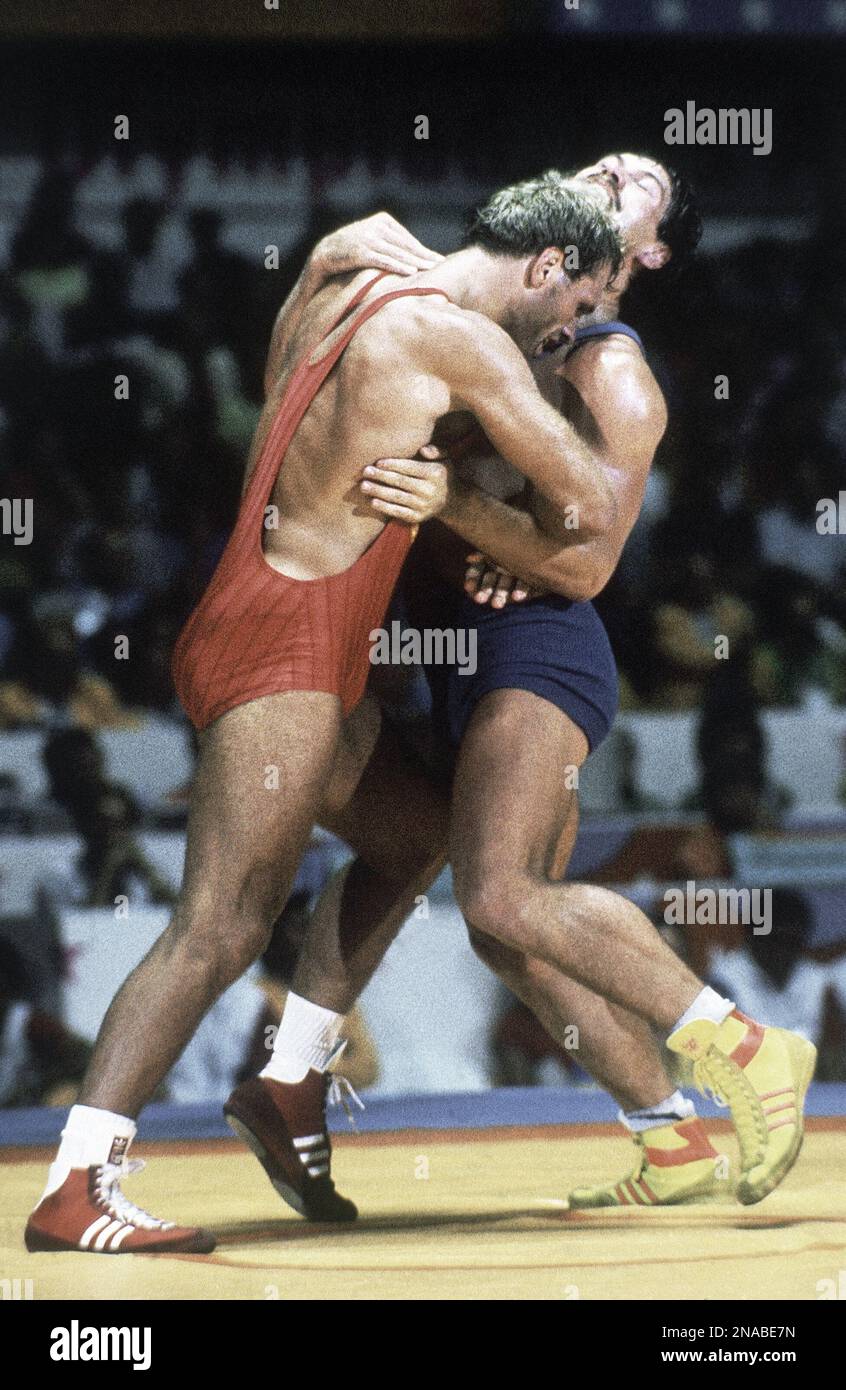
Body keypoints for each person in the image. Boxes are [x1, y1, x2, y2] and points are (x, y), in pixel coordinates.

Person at [26, 177, 623, 1253]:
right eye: (574, 310)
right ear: (543, 268)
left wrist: (324, 252)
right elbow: (590, 495)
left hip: (269, 617)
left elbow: (277, 377)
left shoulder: (345, 274)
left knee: (422, 832)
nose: (569, 335)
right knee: (220, 926)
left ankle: (290, 1078)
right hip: (287, 650)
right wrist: (468, 501)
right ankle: (79, 1183)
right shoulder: (462, 344)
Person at [230, 154, 816, 1221]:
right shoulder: (492, 289)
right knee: (501, 921)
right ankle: (667, 1133)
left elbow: (587, 566)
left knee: (501, 891)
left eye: (635, 181)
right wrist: (332, 249)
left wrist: (455, 505)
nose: (609, 169)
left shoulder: (612, 374)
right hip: (442, 643)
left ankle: (748, 1045)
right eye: (610, 158)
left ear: (647, 256)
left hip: (537, 645)